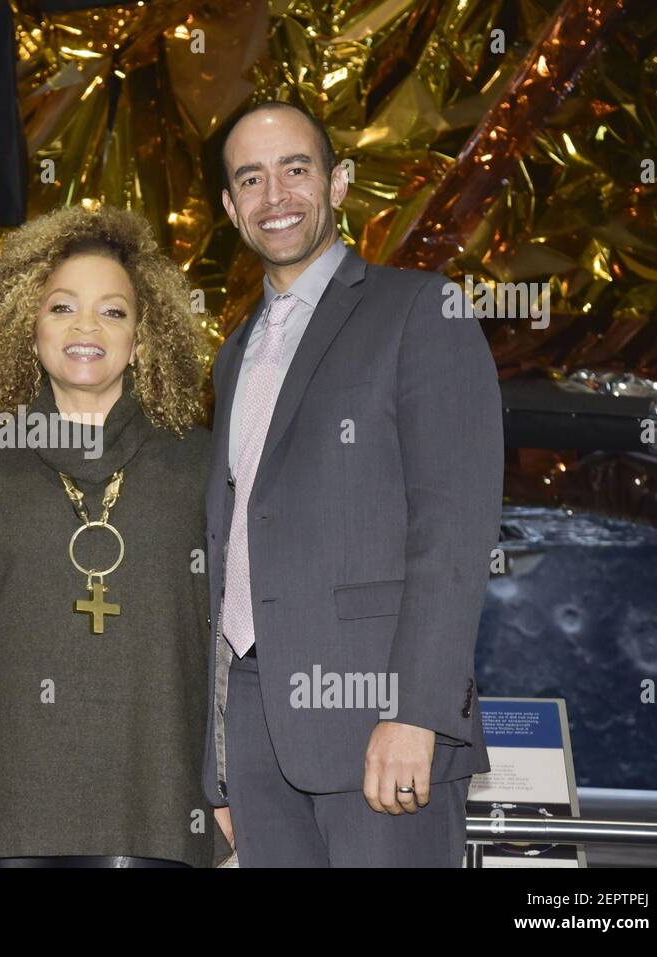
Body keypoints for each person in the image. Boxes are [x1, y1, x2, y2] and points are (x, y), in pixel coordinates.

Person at [204, 101, 503, 866]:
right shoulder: (234, 353)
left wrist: (418, 714)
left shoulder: (419, 308)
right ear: (232, 208)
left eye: (296, 169)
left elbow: (455, 530)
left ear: (339, 183)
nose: (276, 195)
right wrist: (221, 766)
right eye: (252, 178)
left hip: (379, 725)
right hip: (256, 732)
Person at [0, 204, 221, 867]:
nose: (86, 324)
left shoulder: (197, 463)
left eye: (113, 311)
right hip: (2, 808)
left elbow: (222, 634)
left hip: (157, 800)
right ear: (29, 331)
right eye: (62, 307)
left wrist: (224, 781)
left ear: (142, 338)